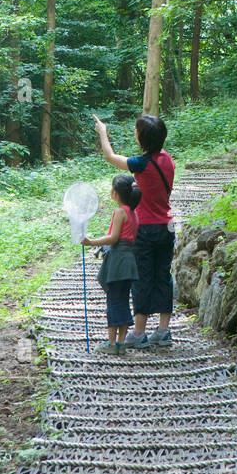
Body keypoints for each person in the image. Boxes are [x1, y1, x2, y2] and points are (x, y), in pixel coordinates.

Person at [92, 112, 176, 350]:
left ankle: (139, 333)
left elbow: (110, 156)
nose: (134, 133)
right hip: (167, 226)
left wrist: (103, 132)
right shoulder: (167, 159)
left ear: (143, 138)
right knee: (164, 276)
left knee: (143, 278)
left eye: (137, 130)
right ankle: (163, 330)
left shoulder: (141, 164)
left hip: (146, 228)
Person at [81, 175, 140, 355]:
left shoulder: (120, 212)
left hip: (117, 261)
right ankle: (120, 343)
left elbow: (114, 238)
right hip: (129, 260)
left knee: (114, 301)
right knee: (122, 300)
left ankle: (112, 344)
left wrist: (92, 242)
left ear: (115, 193)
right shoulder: (133, 212)